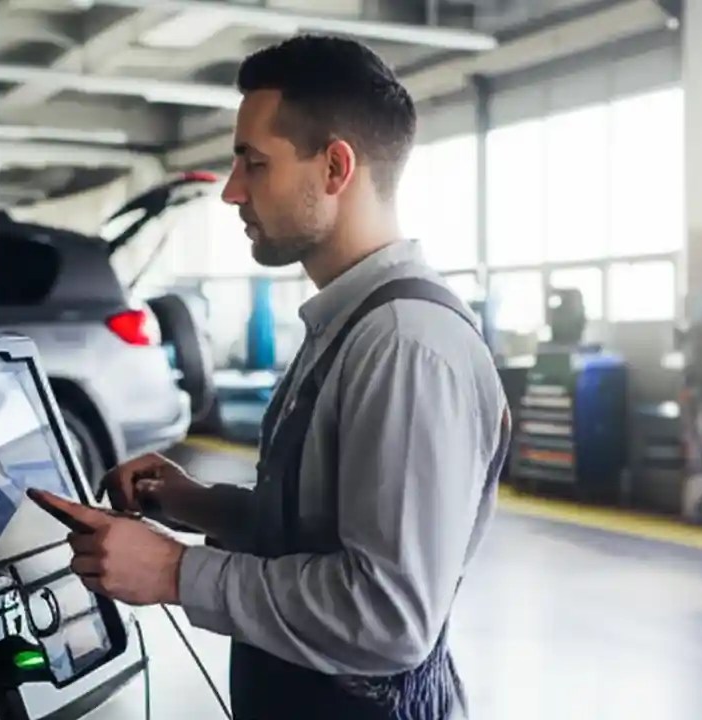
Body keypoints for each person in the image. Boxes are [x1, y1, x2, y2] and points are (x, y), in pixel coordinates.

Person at [34, 34, 510, 720]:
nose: (232, 192)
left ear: (336, 168)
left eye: (254, 164)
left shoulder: (405, 344)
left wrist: (173, 570)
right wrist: (197, 503)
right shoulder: (349, 322)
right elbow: (327, 524)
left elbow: (388, 618)